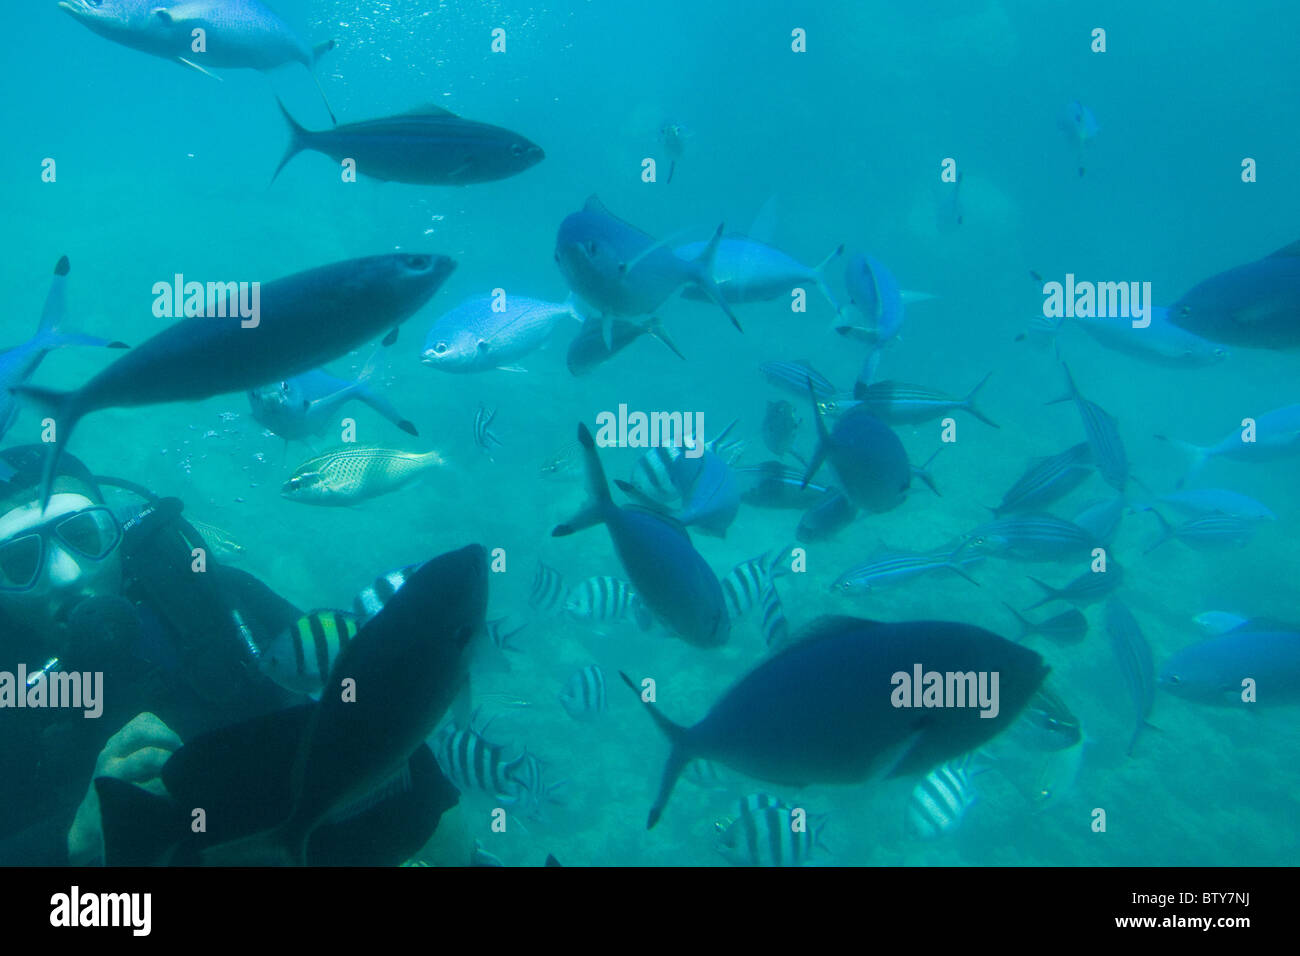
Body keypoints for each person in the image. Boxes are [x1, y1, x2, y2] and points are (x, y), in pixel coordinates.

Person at [0, 445, 302, 865]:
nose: (67, 575)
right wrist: (72, 843)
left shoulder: (212, 599)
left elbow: (390, 761)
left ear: (117, 533)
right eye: (18, 559)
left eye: (84, 535)